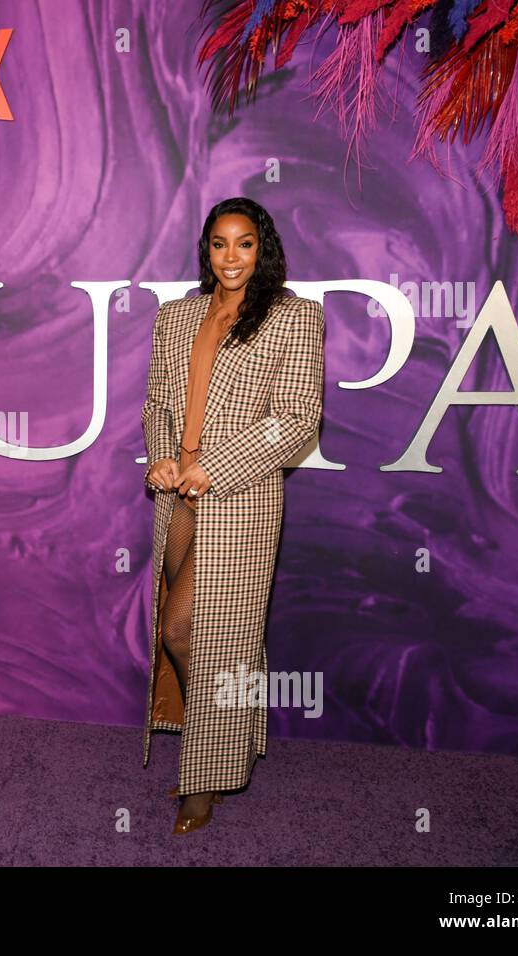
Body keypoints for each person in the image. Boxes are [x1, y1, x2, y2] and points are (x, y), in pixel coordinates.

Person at [140, 197, 325, 835]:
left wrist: (213, 464)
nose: (231, 257)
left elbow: (298, 418)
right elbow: (159, 402)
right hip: (178, 498)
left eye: (244, 244)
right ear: (206, 249)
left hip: (240, 498)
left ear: (262, 248)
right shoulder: (178, 315)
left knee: (192, 630)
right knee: (201, 638)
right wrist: (165, 456)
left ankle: (210, 773)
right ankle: (220, 739)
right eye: (219, 244)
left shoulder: (293, 317)